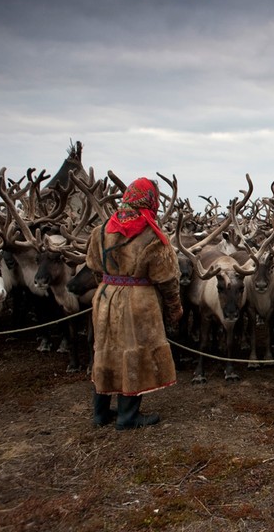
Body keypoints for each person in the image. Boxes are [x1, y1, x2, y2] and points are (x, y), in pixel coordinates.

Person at [85, 177, 183, 430]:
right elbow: (167, 278)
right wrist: (174, 307)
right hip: (138, 301)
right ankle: (128, 416)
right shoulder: (152, 235)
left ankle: (100, 413)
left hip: (105, 297)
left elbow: (93, 266)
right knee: (134, 353)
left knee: (104, 351)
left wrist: (109, 285)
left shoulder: (101, 230)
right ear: (151, 201)